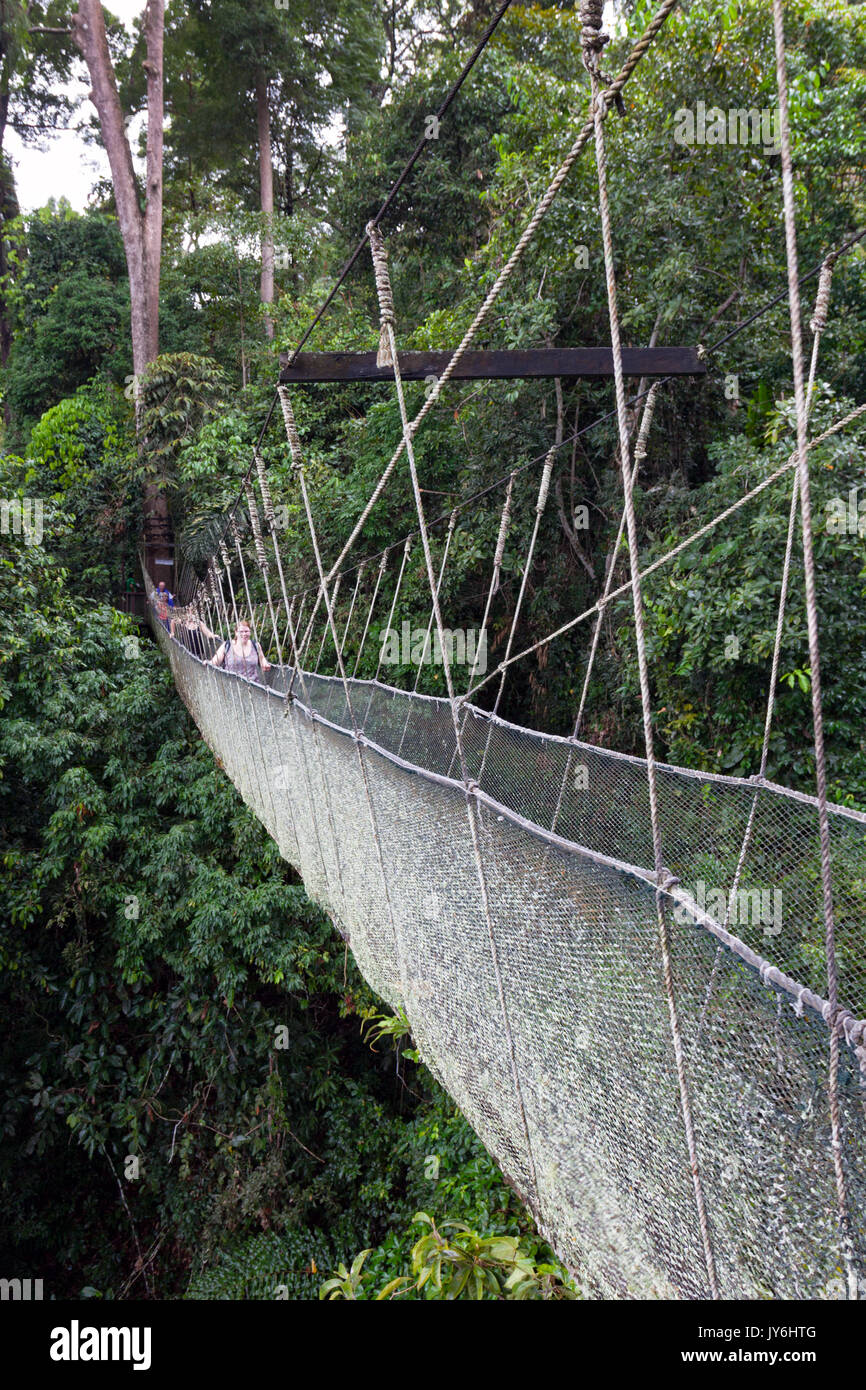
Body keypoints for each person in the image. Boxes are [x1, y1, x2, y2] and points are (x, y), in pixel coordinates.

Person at [210, 619, 272, 684]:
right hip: (230, 685)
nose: (244, 634)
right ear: (236, 633)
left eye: (246, 631)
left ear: (250, 632)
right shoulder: (227, 645)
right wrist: (207, 664)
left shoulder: (256, 645)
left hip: (252, 686)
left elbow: (262, 659)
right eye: (241, 632)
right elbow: (214, 662)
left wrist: (265, 664)